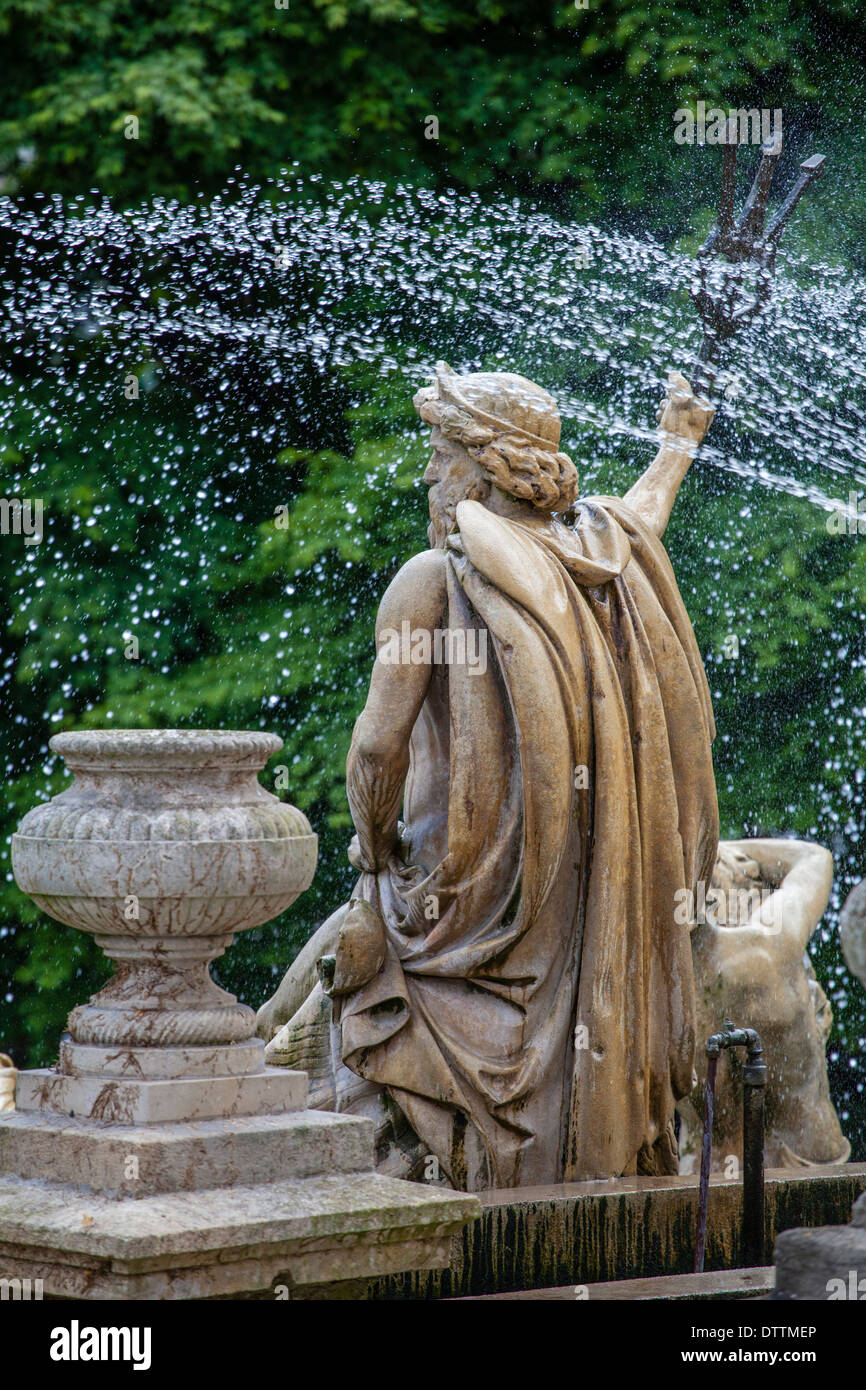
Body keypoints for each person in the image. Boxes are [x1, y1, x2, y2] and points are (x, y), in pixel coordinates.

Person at [258, 363, 718, 1190]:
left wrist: (373, 849)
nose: (429, 474)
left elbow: (375, 746)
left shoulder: (432, 580)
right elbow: (642, 522)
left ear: (483, 464)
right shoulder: (598, 559)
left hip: (457, 912)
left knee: (333, 1002)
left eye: (440, 453)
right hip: (581, 900)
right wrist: (676, 448)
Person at [679, 839, 850, 1171]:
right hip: (807, 1165)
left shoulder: (658, 989)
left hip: (703, 1177)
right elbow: (814, 857)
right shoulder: (771, 944)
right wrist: (717, 847)